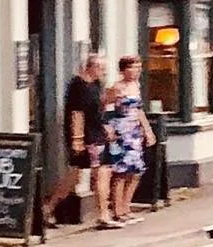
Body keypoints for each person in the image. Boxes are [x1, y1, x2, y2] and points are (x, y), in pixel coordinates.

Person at [100, 55, 156, 229]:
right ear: (123, 70)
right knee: (121, 171)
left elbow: (138, 110)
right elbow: (101, 108)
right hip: (121, 132)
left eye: (139, 67)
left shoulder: (136, 86)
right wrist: (107, 127)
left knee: (136, 170)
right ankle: (118, 210)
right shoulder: (116, 88)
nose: (137, 71)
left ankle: (126, 206)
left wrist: (147, 130)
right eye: (132, 67)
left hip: (134, 132)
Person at [63, 52, 109, 224]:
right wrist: (77, 139)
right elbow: (77, 113)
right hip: (87, 136)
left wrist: (105, 125)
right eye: (101, 68)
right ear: (91, 67)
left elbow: (98, 108)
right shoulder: (79, 86)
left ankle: (48, 207)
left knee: (75, 176)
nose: (103, 72)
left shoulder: (96, 84)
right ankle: (103, 215)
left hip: (97, 132)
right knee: (101, 173)